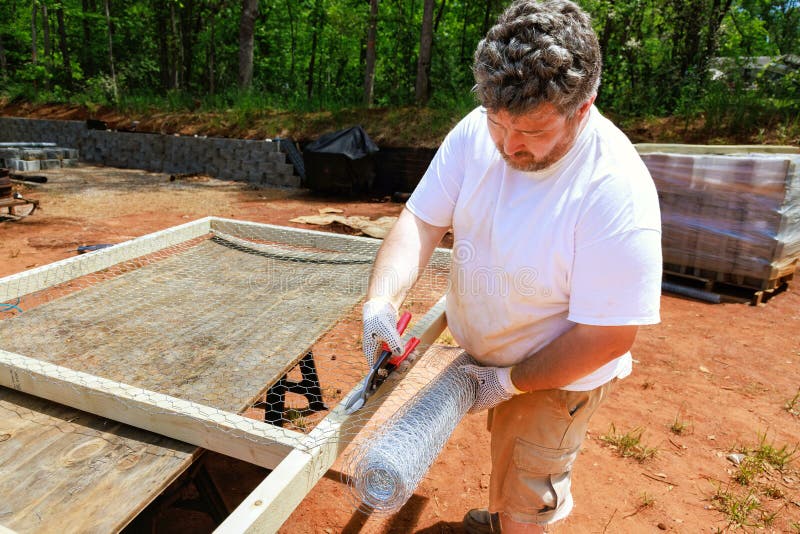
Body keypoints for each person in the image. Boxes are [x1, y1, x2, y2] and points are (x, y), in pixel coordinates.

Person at [361, 0, 662, 531]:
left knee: (530, 485)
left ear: (583, 107)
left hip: (556, 373)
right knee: (508, 452)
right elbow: (421, 221)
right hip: (489, 355)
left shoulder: (616, 190)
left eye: (533, 130)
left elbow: (609, 334)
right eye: (498, 122)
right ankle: (505, 514)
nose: (508, 144)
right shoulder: (478, 131)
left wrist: (508, 382)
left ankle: (518, 520)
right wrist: (379, 302)